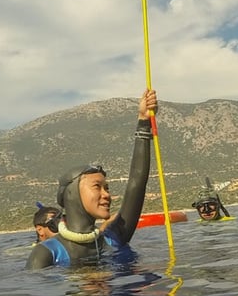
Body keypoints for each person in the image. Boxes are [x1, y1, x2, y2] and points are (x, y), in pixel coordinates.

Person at [26, 88, 157, 270]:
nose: (107, 195)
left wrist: (144, 120)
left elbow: (137, 183)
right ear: (72, 194)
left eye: (107, 188)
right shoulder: (45, 253)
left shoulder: (114, 238)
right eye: (98, 187)